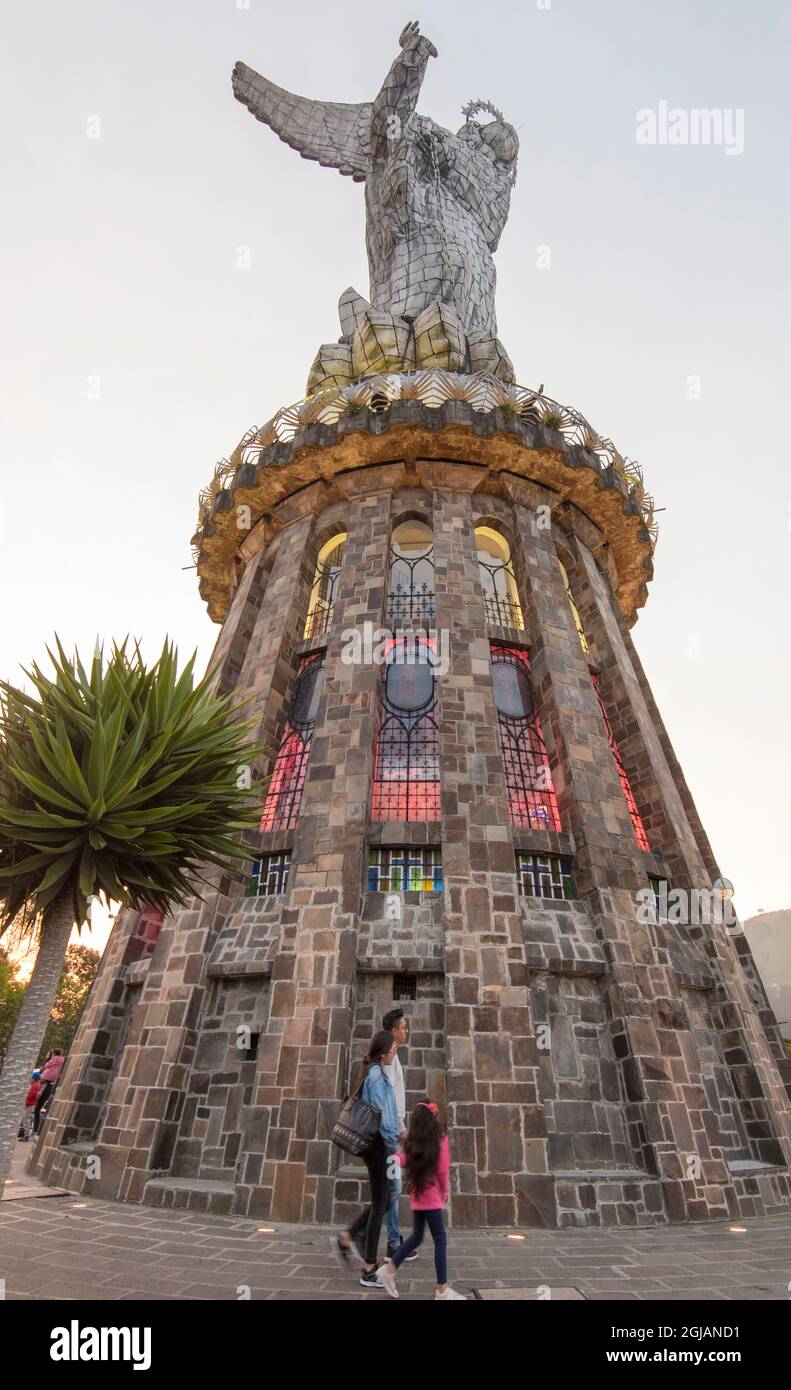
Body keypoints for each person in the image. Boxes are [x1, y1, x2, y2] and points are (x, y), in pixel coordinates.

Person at [330, 1031, 400, 1290]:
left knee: (382, 1201)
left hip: (377, 1146)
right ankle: (369, 1268)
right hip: (379, 1145)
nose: (395, 1054)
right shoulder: (376, 1074)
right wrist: (393, 1143)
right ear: (383, 1053)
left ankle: (348, 1237)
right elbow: (383, 1114)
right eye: (392, 1051)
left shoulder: (375, 1071)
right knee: (381, 1202)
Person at [376, 1101, 466, 1300]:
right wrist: (444, 1191)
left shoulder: (414, 1141)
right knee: (440, 1240)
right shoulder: (439, 1140)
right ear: (433, 1118)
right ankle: (442, 1290)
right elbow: (442, 1171)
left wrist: (393, 1160)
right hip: (432, 1197)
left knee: (417, 1236)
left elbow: (403, 1159)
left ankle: (389, 1269)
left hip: (417, 1197)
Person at [355, 1007, 418, 1263]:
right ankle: (360, 1237)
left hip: (389, 1137)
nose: (406, 1030)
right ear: (394, 1032)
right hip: (386, 1140)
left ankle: (389, 1242)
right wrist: (398, 1133)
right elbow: (386, 1104)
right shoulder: (383, 1066)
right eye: (403, 1027)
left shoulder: (392, 1058)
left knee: (389, 1191)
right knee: (389, 1192)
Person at [32, 1048, 64, 1137]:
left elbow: (43, 1074)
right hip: (50, 1084)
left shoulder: (52, 1061)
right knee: (42, 1109)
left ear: (53, 1054)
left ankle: (35, 1131)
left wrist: (40, 1076)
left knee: (37, 1109)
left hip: (45, 1084)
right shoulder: (60, 1062)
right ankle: (37, 1130)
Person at [18, 1070, 42, 1141]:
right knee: (26, 1119)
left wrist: (23, 1100)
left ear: (34, 1079)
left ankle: (26, 1135)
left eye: (31, 1078)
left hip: (29, 1105)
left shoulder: (35, 1086)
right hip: (29, 1104)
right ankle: (26, 1134)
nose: (30, 1079)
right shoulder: (34, 1085)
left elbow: (30, 1095)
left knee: (26, 1119)